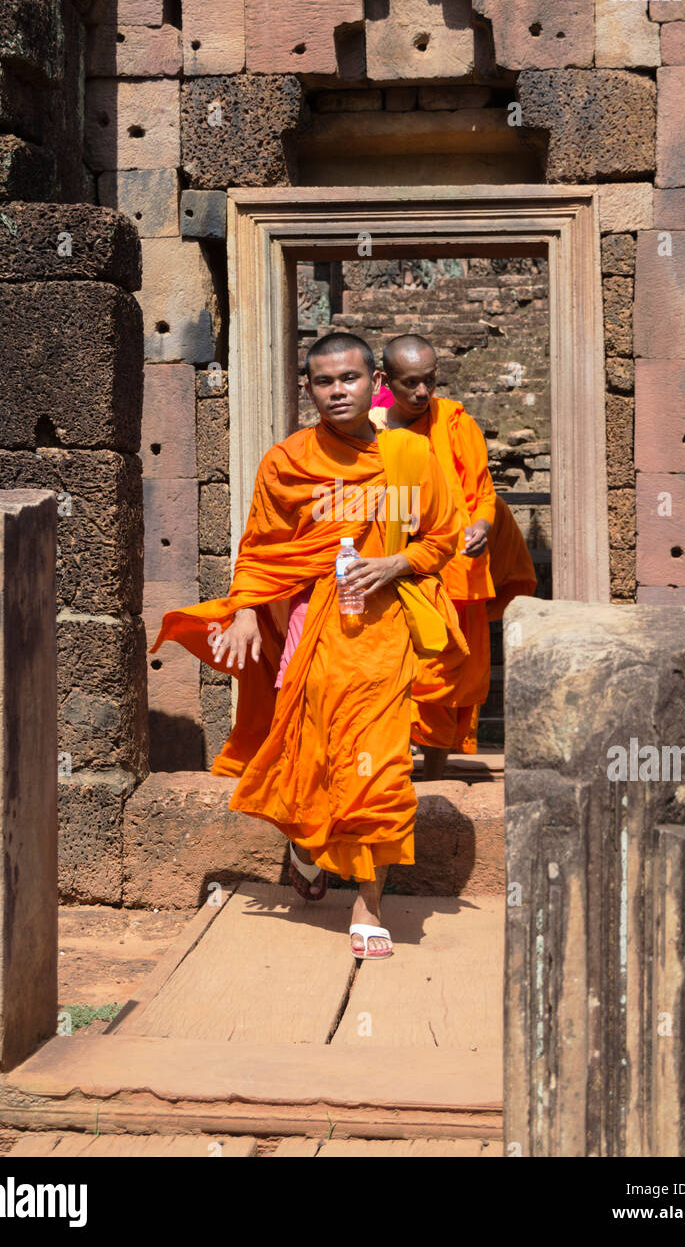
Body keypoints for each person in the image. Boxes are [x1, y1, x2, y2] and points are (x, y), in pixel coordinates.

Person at [150, 333, 467, 960]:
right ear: (309, 388)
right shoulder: (287, 461)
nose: (337, 391)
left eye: (349, 378)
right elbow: (263, 544)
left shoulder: (408, 456)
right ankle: (305, 841)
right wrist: (243, 610)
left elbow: (443, 538)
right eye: (324, 382)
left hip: (382, 633)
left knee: (381, 763)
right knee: (313, 750)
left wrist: (397, 563)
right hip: (310, 624)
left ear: (372, 380)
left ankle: (368, 903)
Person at [370, 334, 537, 780]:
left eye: (429, 381)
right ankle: (390, 768)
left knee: (447, 671)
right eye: (410, 384)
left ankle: (436, 772)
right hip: (394, 565)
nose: (422, 393)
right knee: (394, 668)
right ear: (385, 381)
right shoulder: (371, 429)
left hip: (455, 569)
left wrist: (482, 526)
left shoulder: (456, 423)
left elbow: (481, 492)